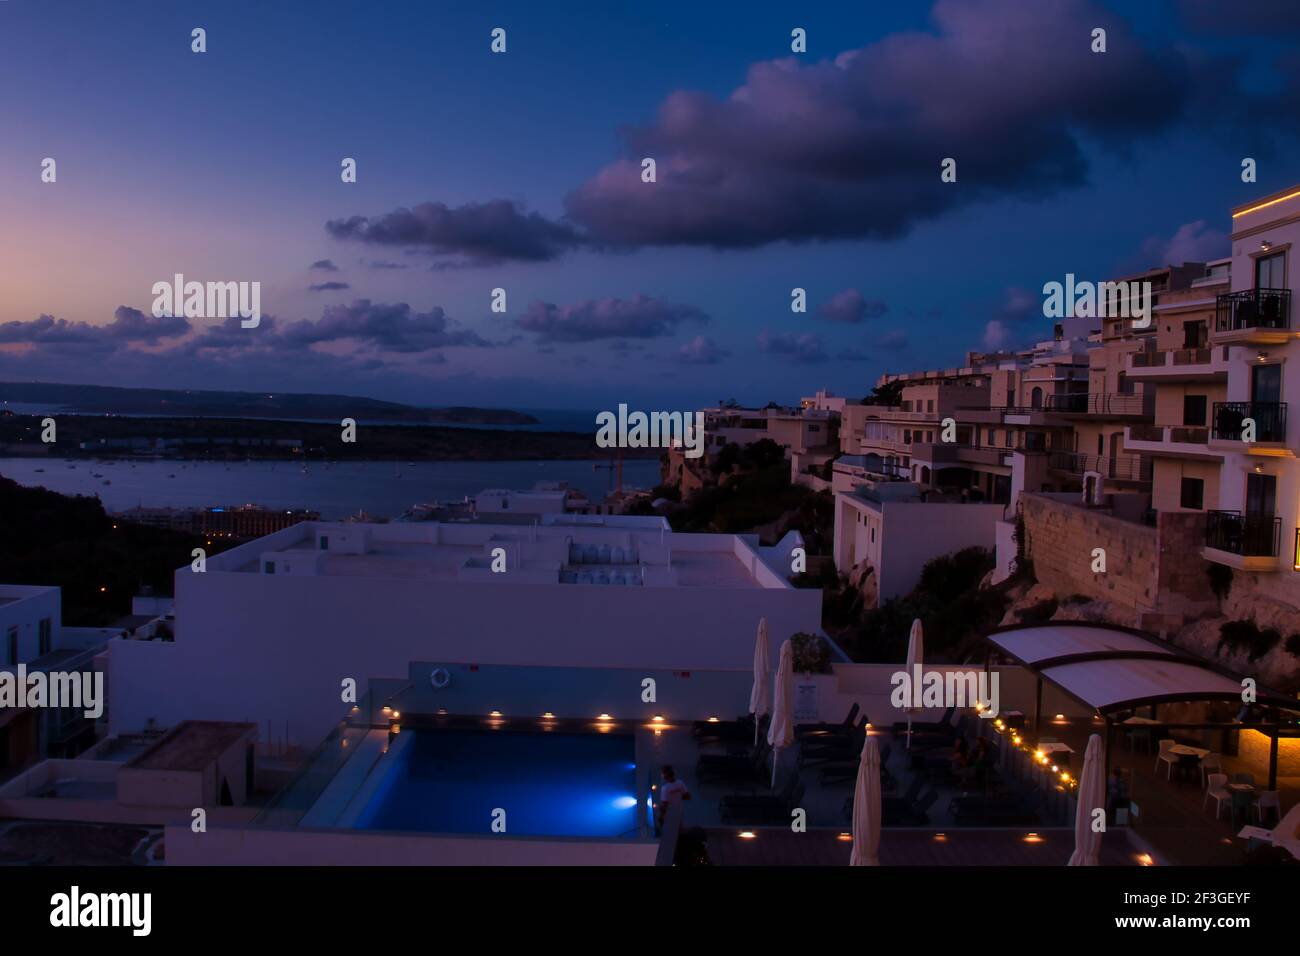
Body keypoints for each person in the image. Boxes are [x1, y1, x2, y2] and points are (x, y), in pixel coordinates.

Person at [655, 764, 690, 834]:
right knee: (679, 830)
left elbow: (665, 805)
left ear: (665, 775)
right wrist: (677, 797)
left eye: (662, 773)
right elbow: (688, 796)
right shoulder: (680, 783)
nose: (662, 775)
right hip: (679, 811)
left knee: (670, 833)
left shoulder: (665, 788)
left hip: (669, 814)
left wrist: (661, 816)